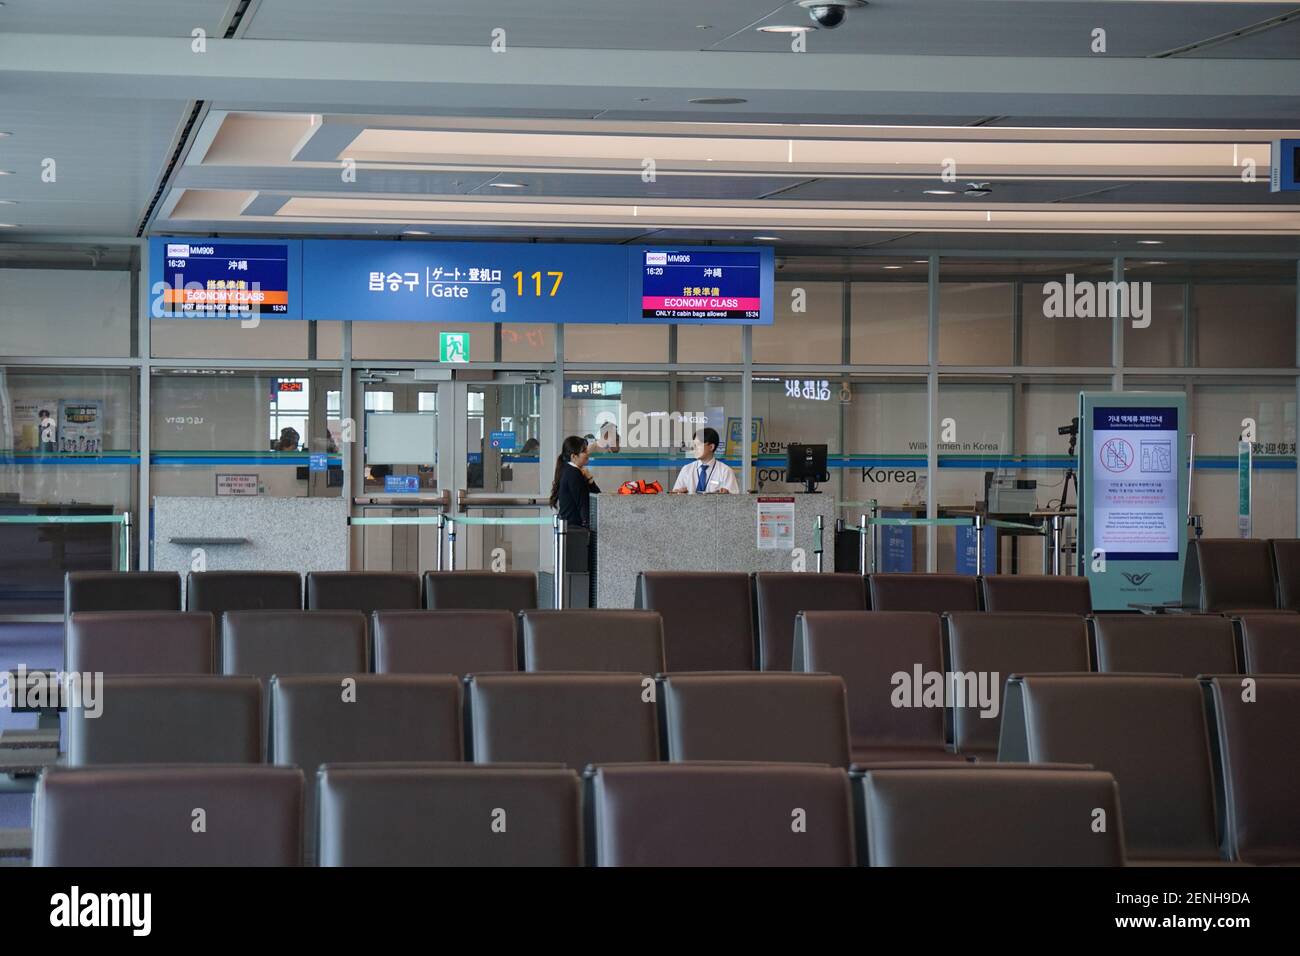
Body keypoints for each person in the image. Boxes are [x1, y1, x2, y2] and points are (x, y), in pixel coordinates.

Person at [549, 435, 600, 527]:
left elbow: (596, 497)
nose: (588, 453)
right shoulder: (573, 473)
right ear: (573, 456)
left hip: (571, 528)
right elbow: (583, 503)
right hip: (575, 529)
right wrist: (588, 527)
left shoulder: (570, 470)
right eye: (584, 451)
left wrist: (589, 479)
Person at [671, 427, 739, 495]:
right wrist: (679, 493)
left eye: (698, 445)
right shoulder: (686, 469)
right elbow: (675, 495)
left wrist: (727, 494)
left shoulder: (725, 471)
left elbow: (734, 499)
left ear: (711, 447)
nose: (694, 448)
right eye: (694, 445)